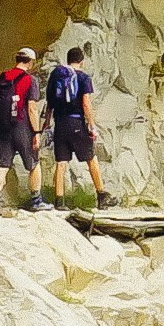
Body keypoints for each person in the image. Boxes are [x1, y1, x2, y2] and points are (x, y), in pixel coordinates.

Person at [43, 43, 102, 207]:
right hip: (76, 122)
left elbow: (50, 102)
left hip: (60, 123)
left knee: (61, 163)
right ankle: (102, 196)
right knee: (91, 159)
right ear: (81, 61)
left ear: (68, 60)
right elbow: (86, 103)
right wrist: (92, 126)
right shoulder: (83, 77)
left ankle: (59, 201)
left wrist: (47, 122)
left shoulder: (57, 75)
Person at [0, 48, 41, 212]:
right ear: (30, 62)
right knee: (34, 164)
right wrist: (36, 133)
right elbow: (32, 108)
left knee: (2, 166)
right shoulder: (30, 80)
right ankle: (36, 201)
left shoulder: (2, 76)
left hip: (2, 127)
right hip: (21, 126)